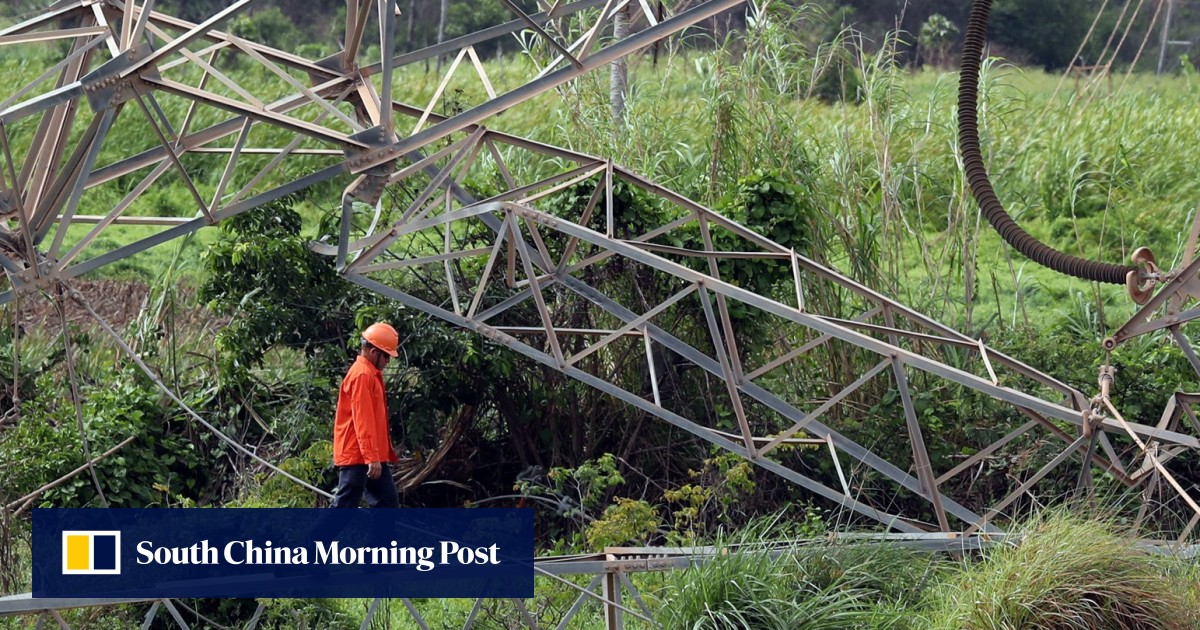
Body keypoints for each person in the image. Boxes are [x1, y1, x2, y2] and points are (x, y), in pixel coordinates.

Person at [330, 322, 401, 508]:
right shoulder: (362, 375)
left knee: (387, 503)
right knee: (344, 507)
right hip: (358, 454)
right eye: (386, 355)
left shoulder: (371, 374)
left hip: (370, 454)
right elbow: (363, 420)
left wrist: (374, 456)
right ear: (373, 352)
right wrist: (371, 458)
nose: (388, 361)